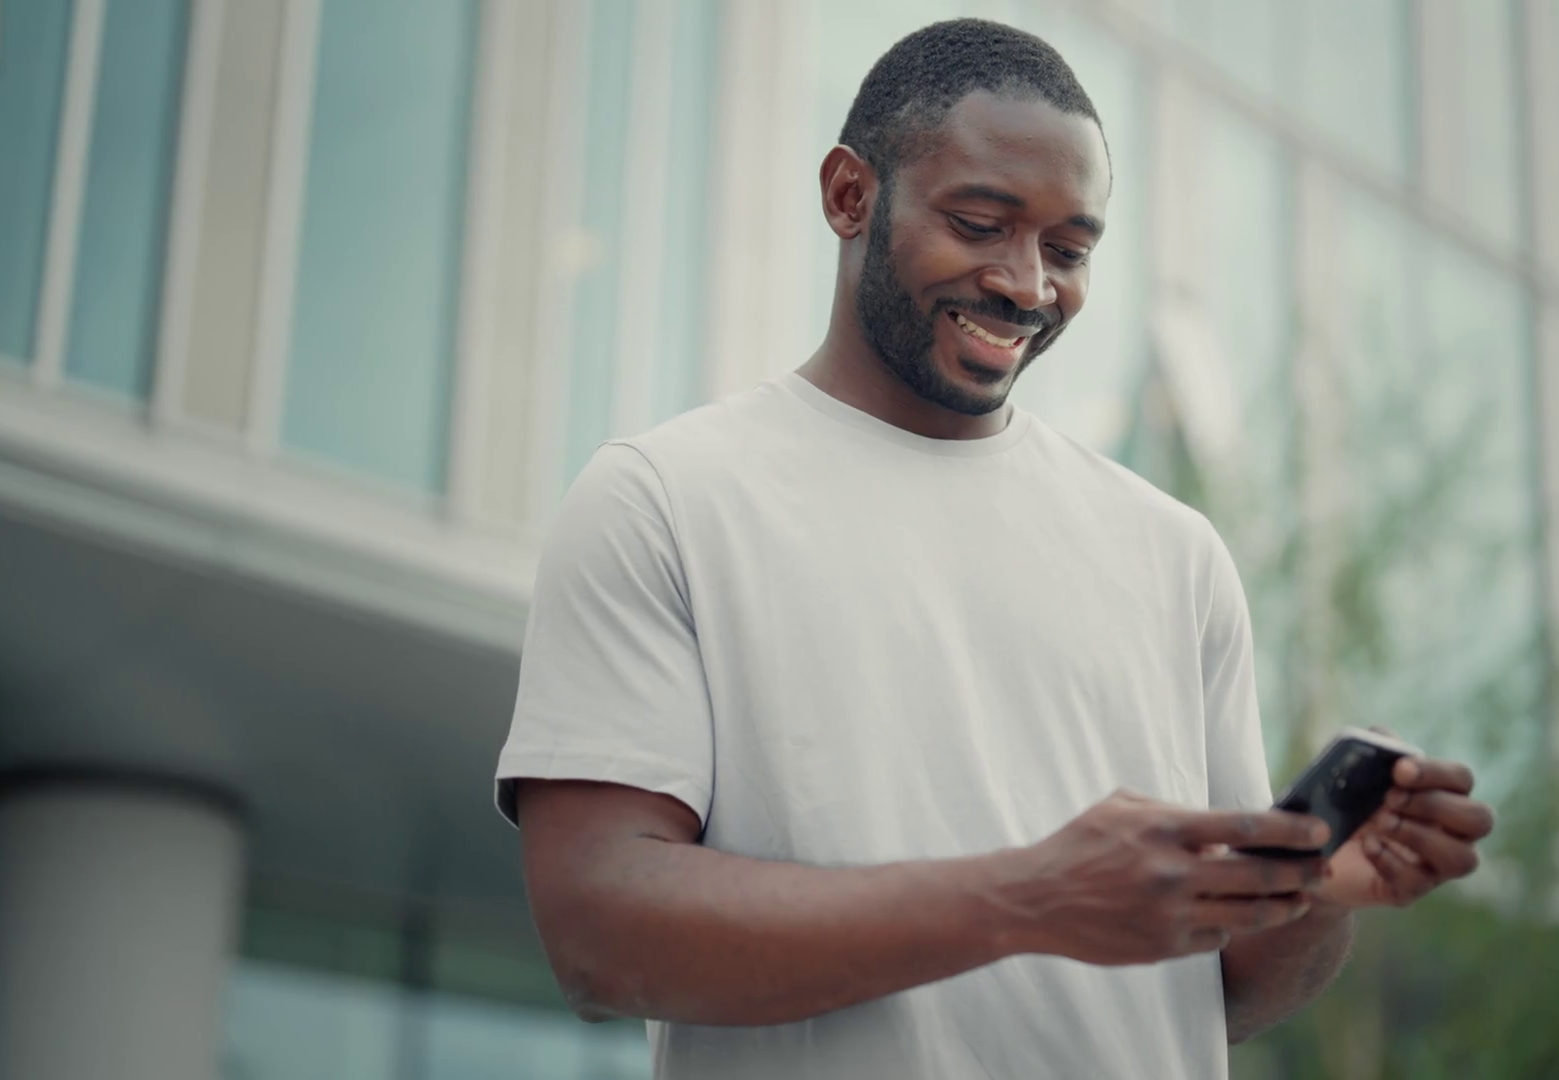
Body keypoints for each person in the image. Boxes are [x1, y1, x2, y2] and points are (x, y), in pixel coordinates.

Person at [494, 17, 1494, 1080]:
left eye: (1069, 251)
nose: (1028, 285)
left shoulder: (1176, 555)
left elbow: (1224, 993)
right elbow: (598, 934)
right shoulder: (665, 500)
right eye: (980, 224)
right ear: (849, 195)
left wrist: (1316, 891)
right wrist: (1027, 897)